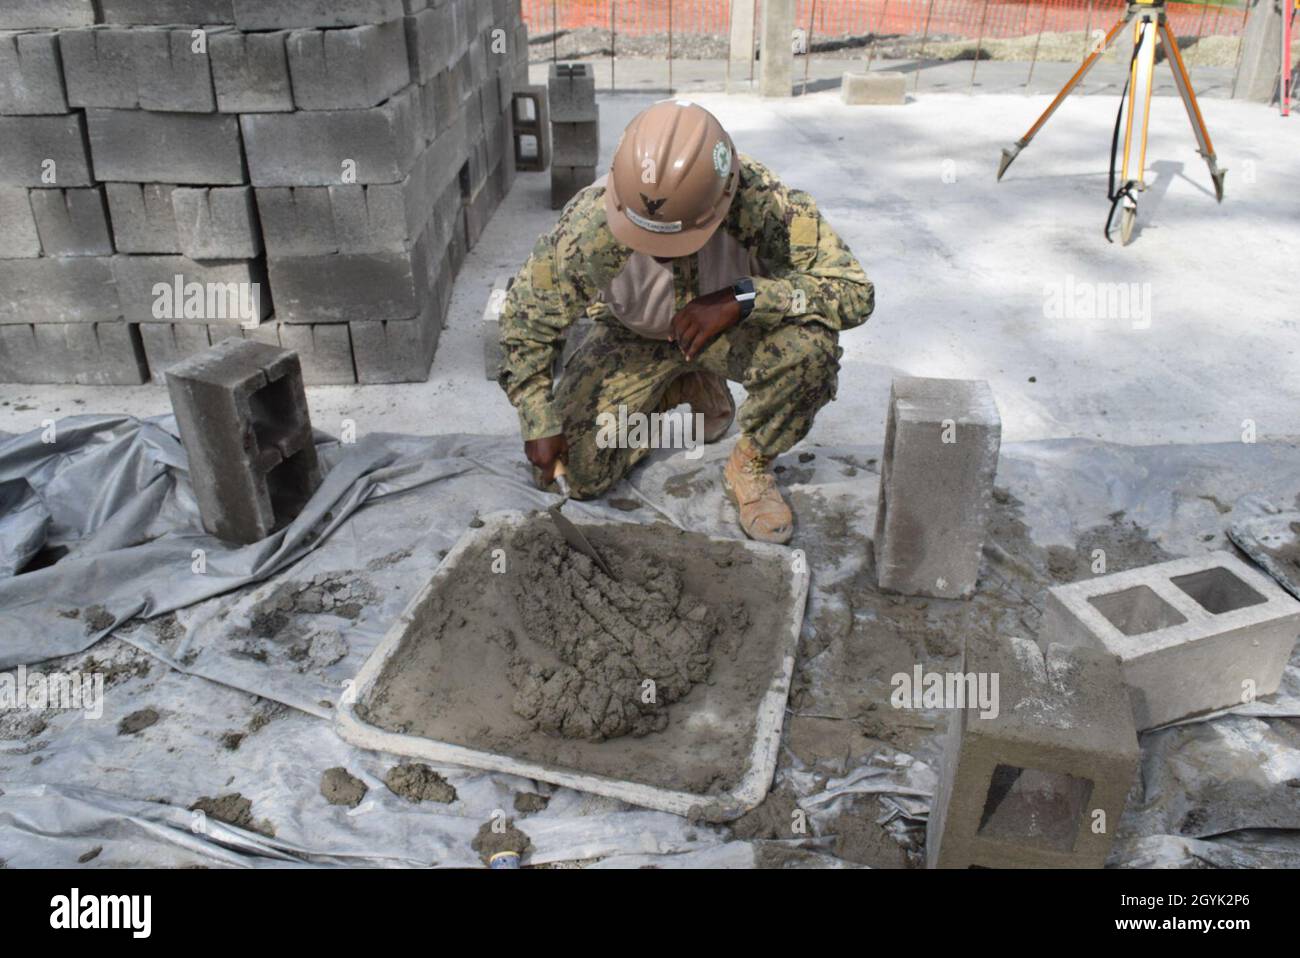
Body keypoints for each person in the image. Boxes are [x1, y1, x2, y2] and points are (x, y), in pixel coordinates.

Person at [496, 99, 874, 544]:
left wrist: (745, 296)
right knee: (575, 474)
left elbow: (854, 291)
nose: (655, 251)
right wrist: (537, 418)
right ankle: (681, 385)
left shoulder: (764, 203)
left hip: (730, 331)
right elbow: (527, 318)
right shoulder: (589, 222)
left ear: (722, 203)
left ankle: (749, 464)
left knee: (811, 354)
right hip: (633, 334)